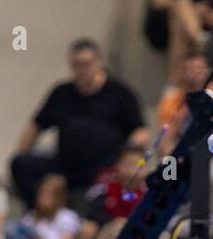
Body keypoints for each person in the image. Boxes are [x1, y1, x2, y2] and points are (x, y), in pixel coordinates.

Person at [10, 39, 146, 208]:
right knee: (20, 164)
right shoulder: (61, 93)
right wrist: (22, 151)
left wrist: (128, 162)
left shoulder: (120, 93)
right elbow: (35, 126)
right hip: (65, 166)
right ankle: (42, 213)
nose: (82, 70)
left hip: (103, 168)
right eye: (76, 65)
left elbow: (140, 132)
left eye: (86, 64)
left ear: (98, 63)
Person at [5, 174, 82, 239]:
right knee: (12, 228)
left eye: (50, 195)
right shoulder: (31, 216)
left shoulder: (67, 216)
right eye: (42, 194)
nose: (44, 198)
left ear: (59, 197)